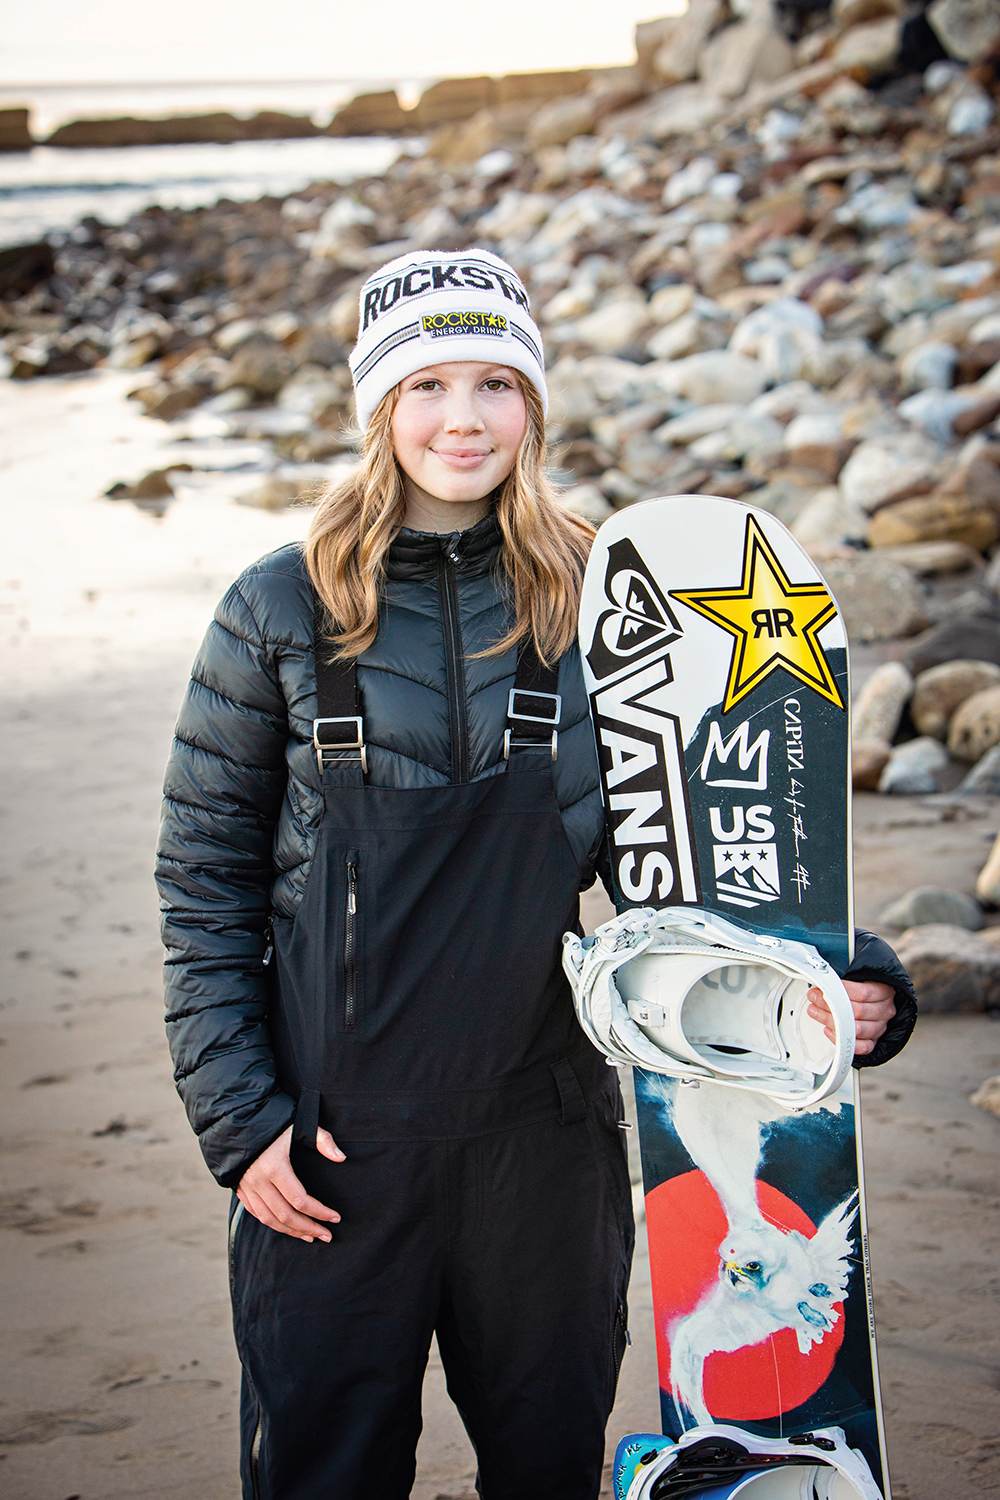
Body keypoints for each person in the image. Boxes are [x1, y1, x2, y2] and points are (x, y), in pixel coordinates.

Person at [155, 249, 917, 1500]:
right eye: (428, 386)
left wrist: (835, 980)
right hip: (331, 1156)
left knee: (547, 1469)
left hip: (544, 1151)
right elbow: (203, 886)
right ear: (377, 410)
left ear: (536, 407)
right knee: (321, 1475)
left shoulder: (605, 603)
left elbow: (693, 854)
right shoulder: (278, 611)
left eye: (497, 384)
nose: (464, 418)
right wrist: (242, 1125)